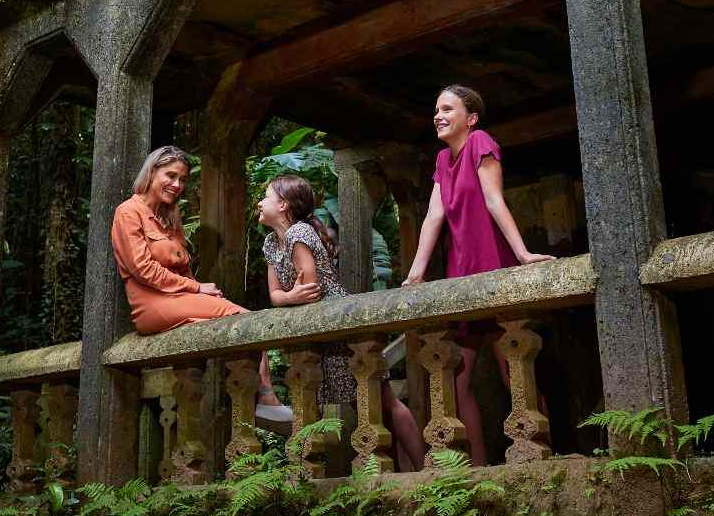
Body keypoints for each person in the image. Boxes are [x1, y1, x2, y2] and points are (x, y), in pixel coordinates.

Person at [400, 85, 554, 465]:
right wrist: (415, 274)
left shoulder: (480, 142)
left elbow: (493, 199)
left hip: (493, 265)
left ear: (470, 118)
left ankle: (544, 456)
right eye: (436, 109)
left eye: (447, 109)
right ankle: (479, 466)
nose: (438, 115)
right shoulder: (440, 160)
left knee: (513, 370)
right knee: (456, 381)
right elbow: (435, 216)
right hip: (461, 274)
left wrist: (521, 255)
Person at [259, 174, 427, 471]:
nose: (260, 202)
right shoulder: (271, 243)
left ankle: (426, 469)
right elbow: (275, 295)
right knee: (362, 404)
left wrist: (292, 296)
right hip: (317, 335)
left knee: (380, 400)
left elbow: (309, 291)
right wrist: (289, 296)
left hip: (339, 328)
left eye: (267, 196)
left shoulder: (300, 232)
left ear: (283, 205)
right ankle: (398, 470)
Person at [111, 145, 292, 422]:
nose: (177, 184)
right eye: (170, 176)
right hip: (150, 304)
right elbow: (142, 269)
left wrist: (204, 295)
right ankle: (265, 396)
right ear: (151, 171)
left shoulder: (170, 216)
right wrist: (197, 289)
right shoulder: (128, 212)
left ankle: (243, 405)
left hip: (176, 299)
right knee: (245, 319)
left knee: (226, 324)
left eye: (182, 179)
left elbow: (183, 270)